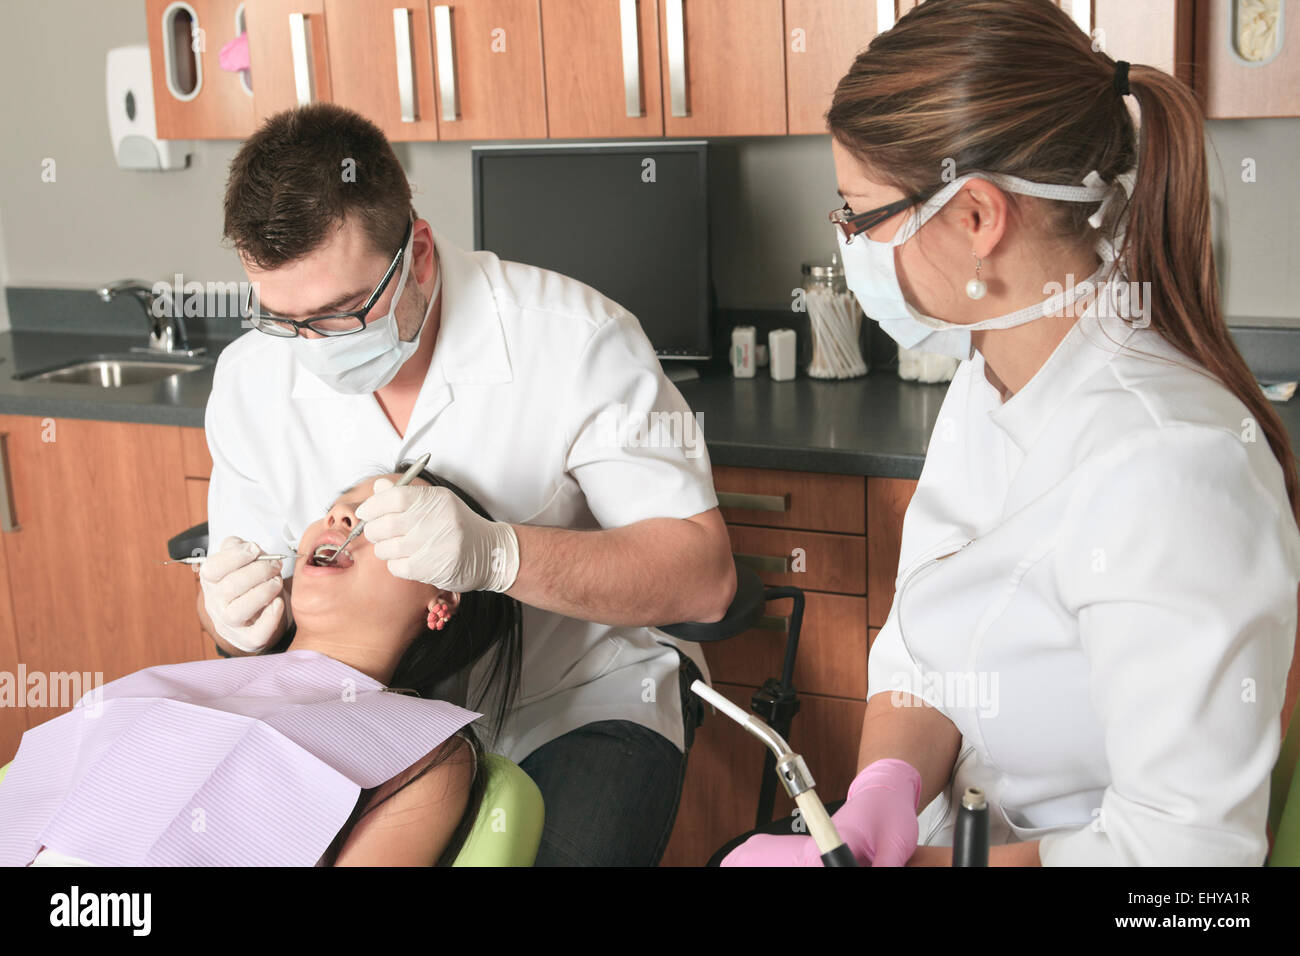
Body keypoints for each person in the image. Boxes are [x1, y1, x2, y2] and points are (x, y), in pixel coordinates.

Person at [726, 0, 1300, 866]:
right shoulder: (990, 380)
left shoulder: (1168, 464)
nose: (850, 246)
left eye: (861, 217)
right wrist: (886, 789)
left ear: (975, 218)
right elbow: (927, 647)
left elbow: (1192, 869)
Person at [198, 103, 734, 866]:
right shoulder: (253, 380)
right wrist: (232, 621)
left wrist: (498, 558)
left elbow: (704, 579)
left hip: (574, 702)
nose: (312, 348)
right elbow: (246, 604)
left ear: (416, 252)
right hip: (364, 725)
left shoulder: (575, 340)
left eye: (344, 313)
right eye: (287, 320)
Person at [0, 466, 523, 867]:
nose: (340, 518)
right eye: (337, 508)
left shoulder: (429, 753)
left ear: (444, 593)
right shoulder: (171, 685)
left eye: (379, 518)